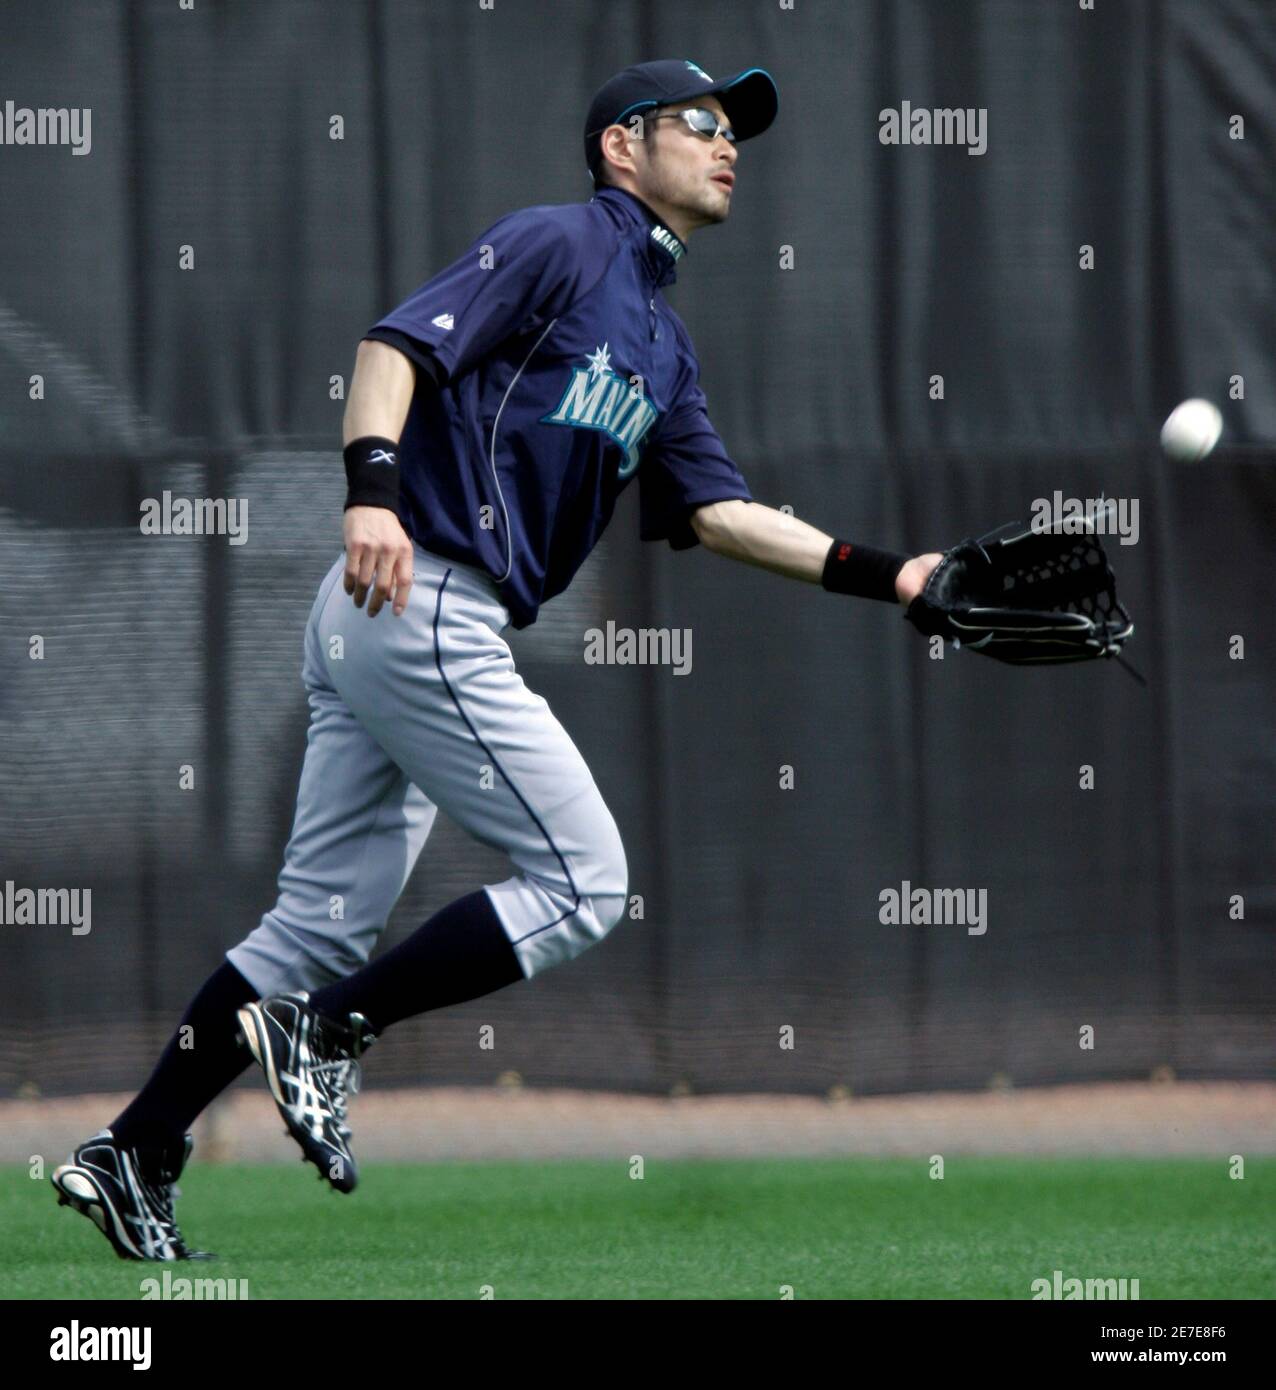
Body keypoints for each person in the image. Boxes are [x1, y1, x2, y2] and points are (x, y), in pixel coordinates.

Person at [51, 59, 941, 1260]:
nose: (728, 145)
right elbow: (392, 350)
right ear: (622, 148)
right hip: (416, 592)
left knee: (315, 922)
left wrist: (895, 574)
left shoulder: (663, 345)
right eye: (700, 124)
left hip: (394, 620)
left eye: (737, 133)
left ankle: (135, 1152)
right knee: (587, 880)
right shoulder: (560, 243)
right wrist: (370, 490)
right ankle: (327, 1032)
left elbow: (723, 516)